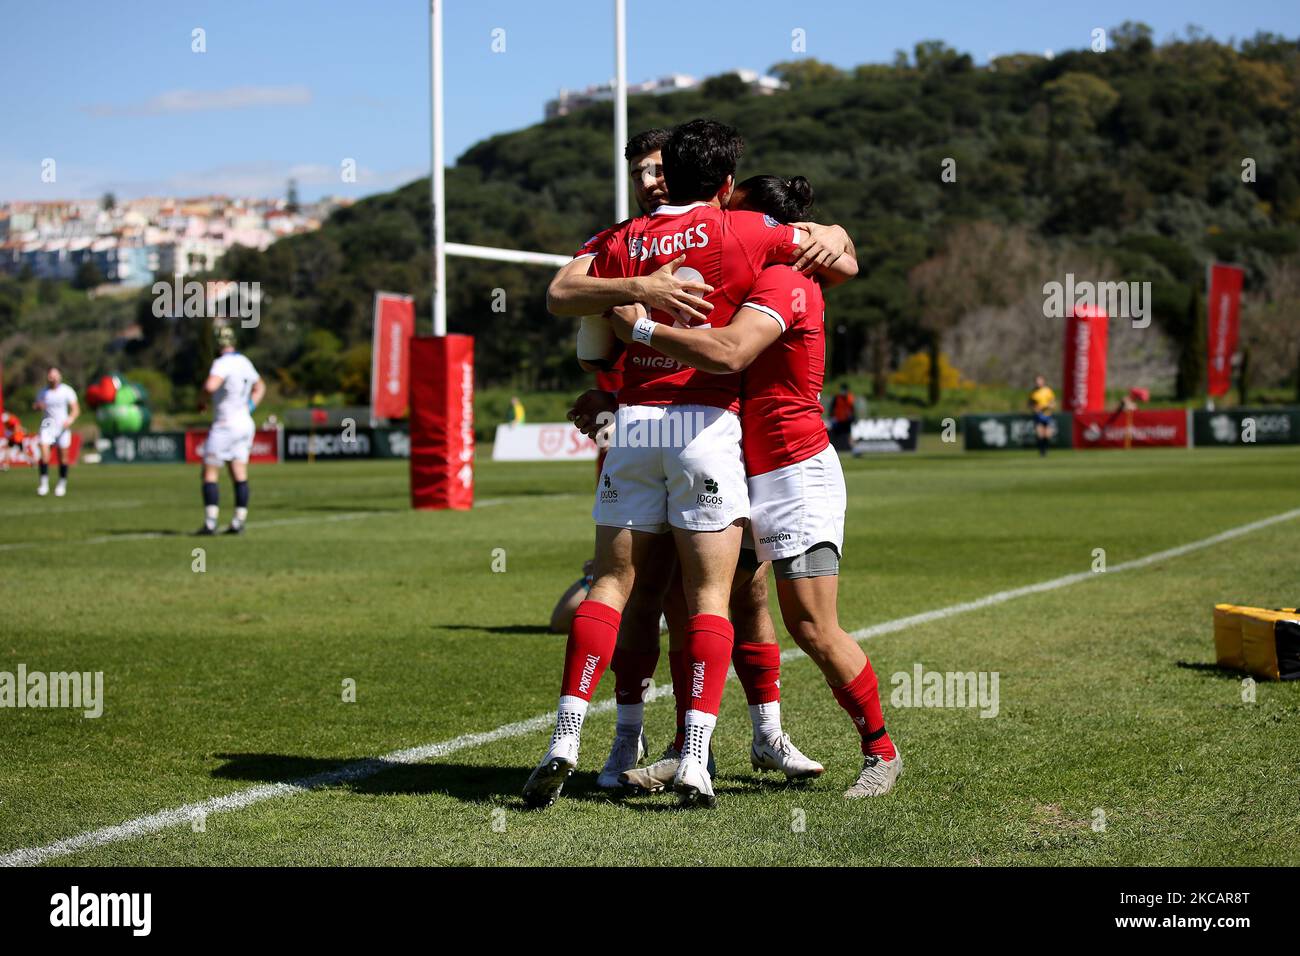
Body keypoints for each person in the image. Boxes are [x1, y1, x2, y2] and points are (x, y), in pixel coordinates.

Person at [525, 118, 858, 809]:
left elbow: (559, 294)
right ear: (727, 185)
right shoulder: (746, 229)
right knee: (710, 598)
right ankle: (697, 761)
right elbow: (841, 262)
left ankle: (573, 740)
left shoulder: (622, 239)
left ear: (666, 177)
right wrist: (827, 234)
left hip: (637, 427)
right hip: (708, 426)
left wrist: (637, 293)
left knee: (615, 587)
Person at [599, 173, 901, 799]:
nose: (719, 231)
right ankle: (696, 752)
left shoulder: (787, 281)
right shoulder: (754, 276)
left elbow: (731, 354)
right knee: (703, 603)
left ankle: (881, 752)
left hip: (796, 473)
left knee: (812, 626)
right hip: (743, 461)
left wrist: (642, 331)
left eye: (732, 219)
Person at [197, 326, 265, 535]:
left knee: (209, 472)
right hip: (245, 422)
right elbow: (260, 386)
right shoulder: (244, 361)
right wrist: (250, 407)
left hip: (225, 424)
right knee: (239, 473)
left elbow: (210, 386)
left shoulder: (221, 363)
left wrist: (201, 400)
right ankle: (238, 521)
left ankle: (210, 523)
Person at [34, 367, 79, 497]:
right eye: (50, 376)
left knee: (63, 458)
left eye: (55, 375)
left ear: (59, 377)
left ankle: (61, 484)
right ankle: (43, 484)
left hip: (63, 428)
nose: (52, 378)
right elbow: (36, 405)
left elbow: (76, 409)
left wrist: (70, 420)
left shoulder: (67, 391)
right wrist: (38, 406)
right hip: (47, 427)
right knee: (44, 455)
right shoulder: (43, 392)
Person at [1028, 375, 1056, 457]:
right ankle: (1041, 451)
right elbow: (1030, 404)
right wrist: (1035, 408)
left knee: (1047, 434)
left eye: (1039, 381)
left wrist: (1050, 406)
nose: (1038, 383)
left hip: (1047, 414)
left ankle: (1046, 449)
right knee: (1040, 434)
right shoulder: (1034, 392)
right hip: (1038, 415)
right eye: (1037, 381)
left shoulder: (1048, 390)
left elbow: (1053, 402)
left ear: (1043, 381)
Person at [830, 382, 855, 450]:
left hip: (847, 420)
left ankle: (853, 449)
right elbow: (832, 408)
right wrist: (832, 417)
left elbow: (852, 408)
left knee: (849, 435)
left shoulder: (849, 397)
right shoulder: (837, 398)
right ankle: (835, 449)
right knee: (835, 436)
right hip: (838, 420)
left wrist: (853, 417)